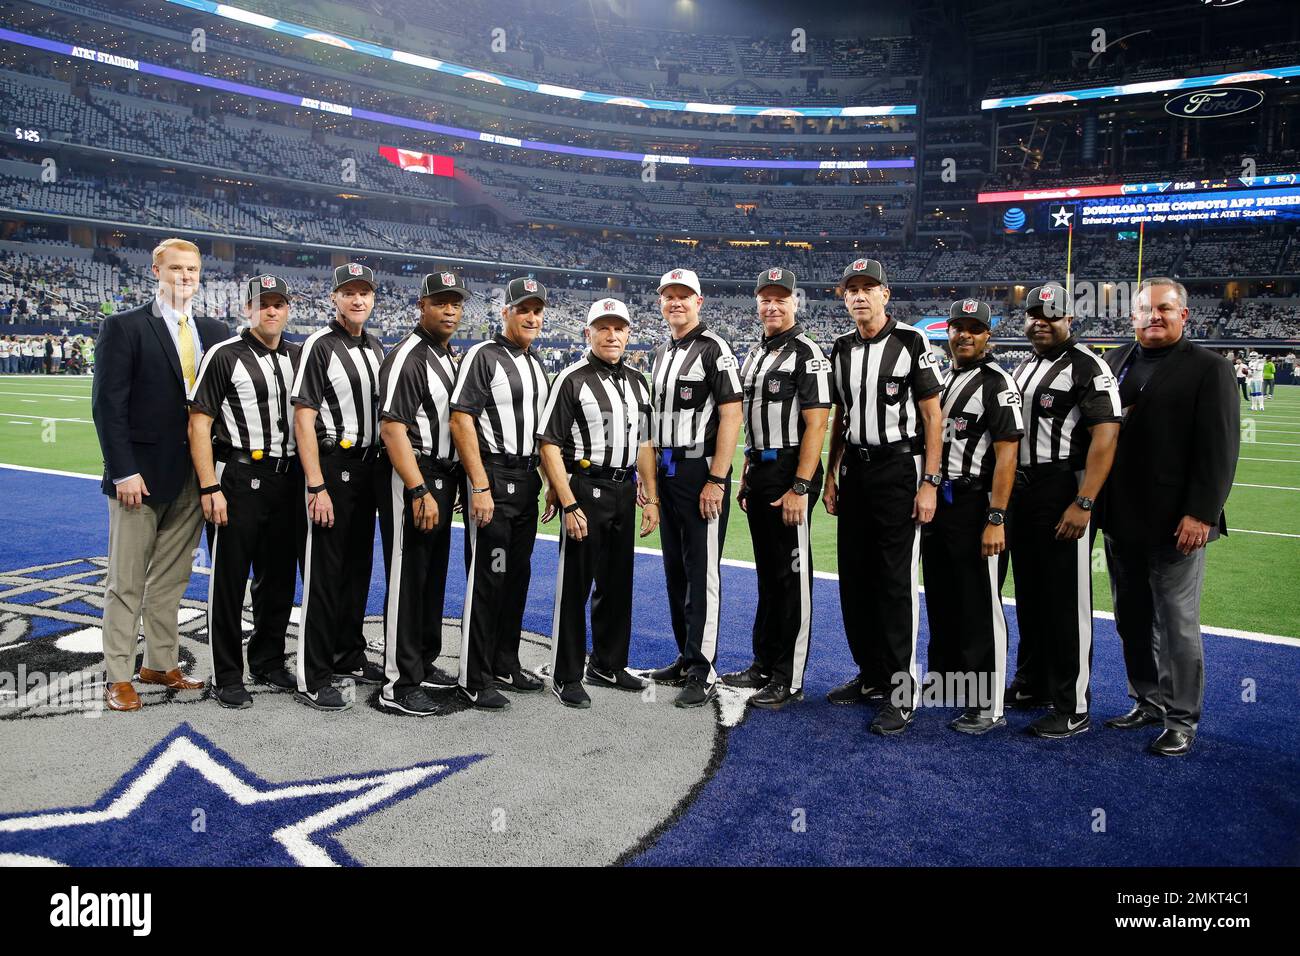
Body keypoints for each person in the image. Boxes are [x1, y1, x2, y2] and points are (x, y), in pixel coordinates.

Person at [1097, 277, 1239, 757]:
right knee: (1131, 618)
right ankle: (1146, 699)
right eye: (1145, 309)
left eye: (1164, 309)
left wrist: (1202, 513)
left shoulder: (1209, 368)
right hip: (1120, 517)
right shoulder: (1114, 361)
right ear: (1131, 315)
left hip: (1177, 523)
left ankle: (1181, 718)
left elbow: (1219, 448)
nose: (1153, 316)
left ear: (1184, 316)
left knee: (1177, 622)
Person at [90, 237, 226, 712]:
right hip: (140, 479)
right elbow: (108, 407)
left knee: (172, 578)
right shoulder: (124, 327)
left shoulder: (214, 329)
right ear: (155, 271)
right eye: (175, 269)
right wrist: (122, 470)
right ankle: (117, 675)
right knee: (126, 582)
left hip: (195, 475)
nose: (185, 276)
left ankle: (160, 662)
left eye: (192, 269)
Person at [822, 258, 944, 735]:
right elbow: (840, 418)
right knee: (855, 577)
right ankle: (871, 675)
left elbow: (933, 418)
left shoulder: (912, 341)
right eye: (851, 289)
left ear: (885, 295)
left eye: (868, 288)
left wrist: (930, 482)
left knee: (895, 581)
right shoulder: (841, 347)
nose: (859, 296)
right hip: (856, 468)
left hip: (899, 468)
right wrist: (831, 476)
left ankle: (901, 689)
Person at [1006, 283, 1121, 738]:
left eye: (1051, 316)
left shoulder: (1088, 366)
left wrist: (1084, 501)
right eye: (1034, 314)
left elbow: (1106, 436)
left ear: (1070, 320)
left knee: (1067, 599)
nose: (1040, 321)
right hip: (1024, 491)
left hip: (1063, 487)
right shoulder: (1026, 365)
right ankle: (1033, 681)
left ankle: (1072, 703)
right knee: (1031, 593)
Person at [537, 297, 659, 709]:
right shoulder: (571, 378)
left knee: (616, 583)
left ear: (628, 333)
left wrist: (651, 496)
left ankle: (608, 663)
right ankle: (565, 673)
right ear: (587, 332)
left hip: (624, 489)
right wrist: (569, 503)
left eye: (618, 328)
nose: (611, 335)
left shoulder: (639, 382)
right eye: (603, 327)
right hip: (586, 486)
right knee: (574, 585)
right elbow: (549, 445)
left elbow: (644, 442)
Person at [187, 274, 301, 709]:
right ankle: (226, 673)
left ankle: (268, 659)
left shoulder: (299, 355)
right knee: (230, 580)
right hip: (237, 477)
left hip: (285, 479)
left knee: (277, 579)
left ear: (288, 308)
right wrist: (209, 485)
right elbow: (199, 423)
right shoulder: (224, 354)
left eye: (278, 303)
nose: (271, 311)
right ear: (246, 309)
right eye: (262, 304)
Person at [724, 268, 830, 710]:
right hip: (762, 467)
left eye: (780, 299)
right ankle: (763, 663)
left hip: (791, 470)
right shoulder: (754, 355)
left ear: (795, 303)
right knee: (768, 577)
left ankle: (790, 675)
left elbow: (817, 422)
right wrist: (747, 472)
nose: (772, 306)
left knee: (792, 579)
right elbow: (751, 422)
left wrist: (801, 486)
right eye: (765, 299)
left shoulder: (807, 353)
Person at [450, 276, 551, 711]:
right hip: (494, 477)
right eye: (522, 309)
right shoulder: (483, 355)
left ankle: (505, 660)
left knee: (517, 576)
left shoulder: (536, 362)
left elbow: (543, 432)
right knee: (489, 578)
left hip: (527, 481)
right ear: (504, 312)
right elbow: (461, 420)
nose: (531, 317)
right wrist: (479, 485)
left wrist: (546, 481)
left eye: (537, 310)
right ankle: (474, 675)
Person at [922, 299, 1023, 734]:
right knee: (943, 596)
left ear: (988, 336)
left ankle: (989, 701)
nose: (964, 335)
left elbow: (1007, 456)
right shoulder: (945, 378)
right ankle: (948, 681)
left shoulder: (996, 383)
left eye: (974, 329)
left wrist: (996, 516)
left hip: (975, 501)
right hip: (940, 504)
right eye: (958, 328)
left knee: (981, 602)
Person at [644, 268, 743, 708]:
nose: (676, 303)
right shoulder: (662, 353)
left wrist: (718, 478)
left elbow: (731, 416)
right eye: (669, 296)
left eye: (684, 296)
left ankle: (703, 668)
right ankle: (686, 656)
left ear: (699, 302)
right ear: (661, 303)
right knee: (676, 571)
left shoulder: (714, 348)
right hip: (666, 471)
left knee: (702, 572)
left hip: (697, 469)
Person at [291, 262, 387, 712]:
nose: (358, 299)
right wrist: (315, 484)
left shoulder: (376, 345)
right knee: (324, 573)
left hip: (368, 470)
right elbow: (303, 418)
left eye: (364, 292)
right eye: (349, 292)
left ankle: (348, 653)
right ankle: (314, 673)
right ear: (334, 298)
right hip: (333, 466)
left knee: (356, 570)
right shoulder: (319, 345)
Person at [374, 271, 467, 717]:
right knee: (408, 577)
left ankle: (422, 660)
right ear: (422, 305)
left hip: (444, 475)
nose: (450, 310)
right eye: (441, 302)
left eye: (456, 303)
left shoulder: (447, 356)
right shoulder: (409, 356)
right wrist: (417, 487)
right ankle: (398, 681)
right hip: (418, 471)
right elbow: (392, 428)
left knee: (430, 576)